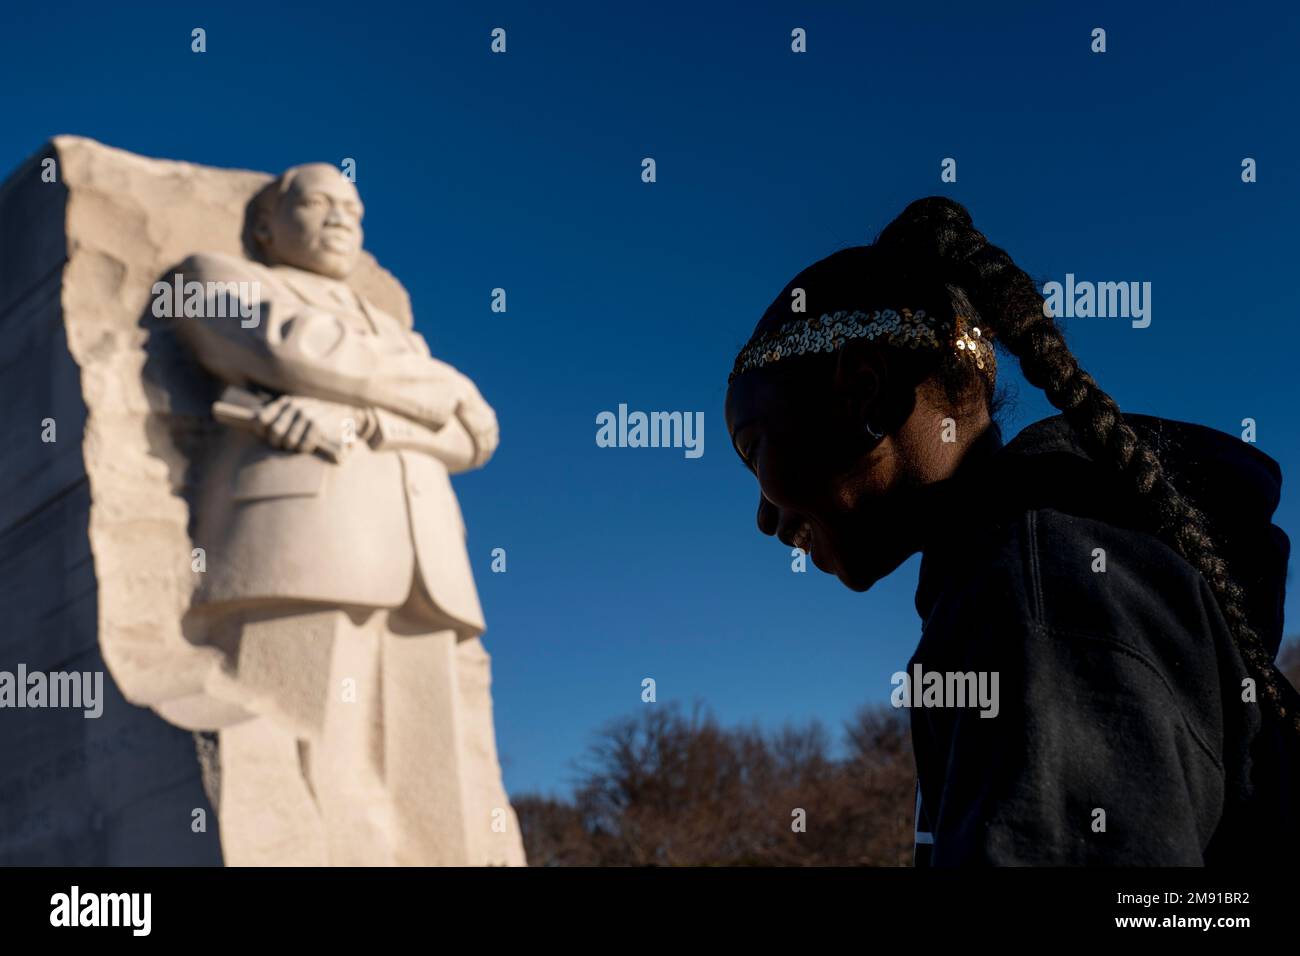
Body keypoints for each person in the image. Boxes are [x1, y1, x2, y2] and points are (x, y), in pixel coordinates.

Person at [724, 196, 1299, 865]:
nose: (765, 518)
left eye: (751, 447)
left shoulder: (1041, 599)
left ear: (866, 395)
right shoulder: (1042, 577)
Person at [167, 163, 523, 866]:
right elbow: (284, 346)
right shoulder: (214, 275)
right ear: (266, 224)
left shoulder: (395, 332)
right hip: (303, 547)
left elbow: (476, 431)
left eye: (353, 210)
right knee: (301, 773)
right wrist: (439, 387)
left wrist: (362, 413)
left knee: (438, 793)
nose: (341, 219)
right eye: (320, 203)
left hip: (428, 566)